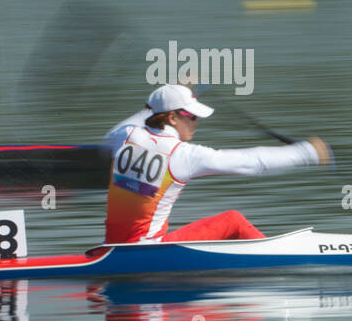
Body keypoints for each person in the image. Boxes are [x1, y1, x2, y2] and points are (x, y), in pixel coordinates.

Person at [102, 84, 331, 244]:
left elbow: (144, 116)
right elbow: (252, 162)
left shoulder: (125, 135)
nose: (196, 123)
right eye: (191, 116)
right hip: (148, 250)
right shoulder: (182, 154)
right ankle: (282, 260)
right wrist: (306, 152)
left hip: (115, 245)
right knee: (233, 221)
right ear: (172, 118)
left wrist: (172, 91)